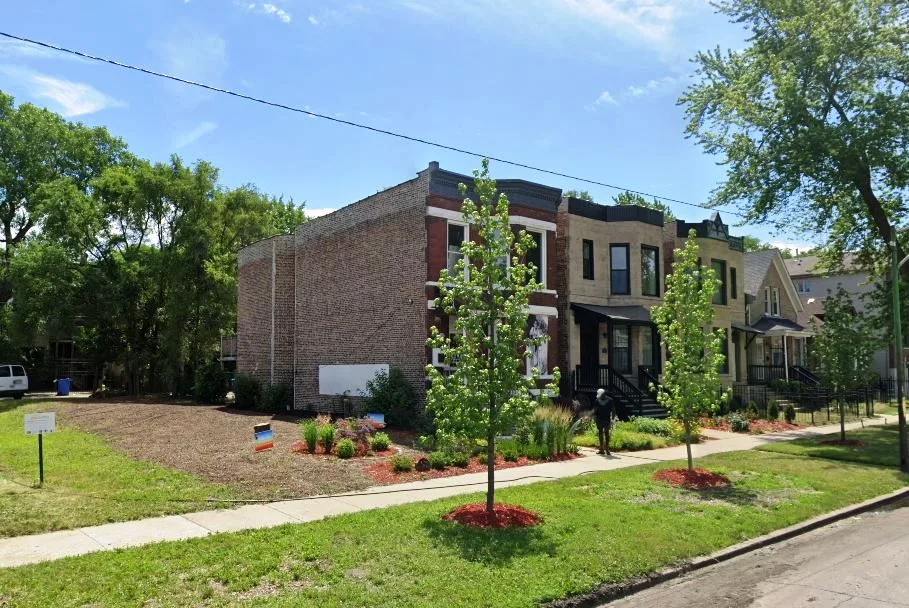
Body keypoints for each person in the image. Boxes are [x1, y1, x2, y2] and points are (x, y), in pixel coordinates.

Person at [594, 388, 614, 455]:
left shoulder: (610, 400)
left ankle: (606, 449)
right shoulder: (598, 400)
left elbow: (613, 410)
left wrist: (613, 419)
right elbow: (595, 410)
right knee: (601, 433)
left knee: (606, 433)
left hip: (605, 419)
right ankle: (602, 449)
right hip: (600, 419)